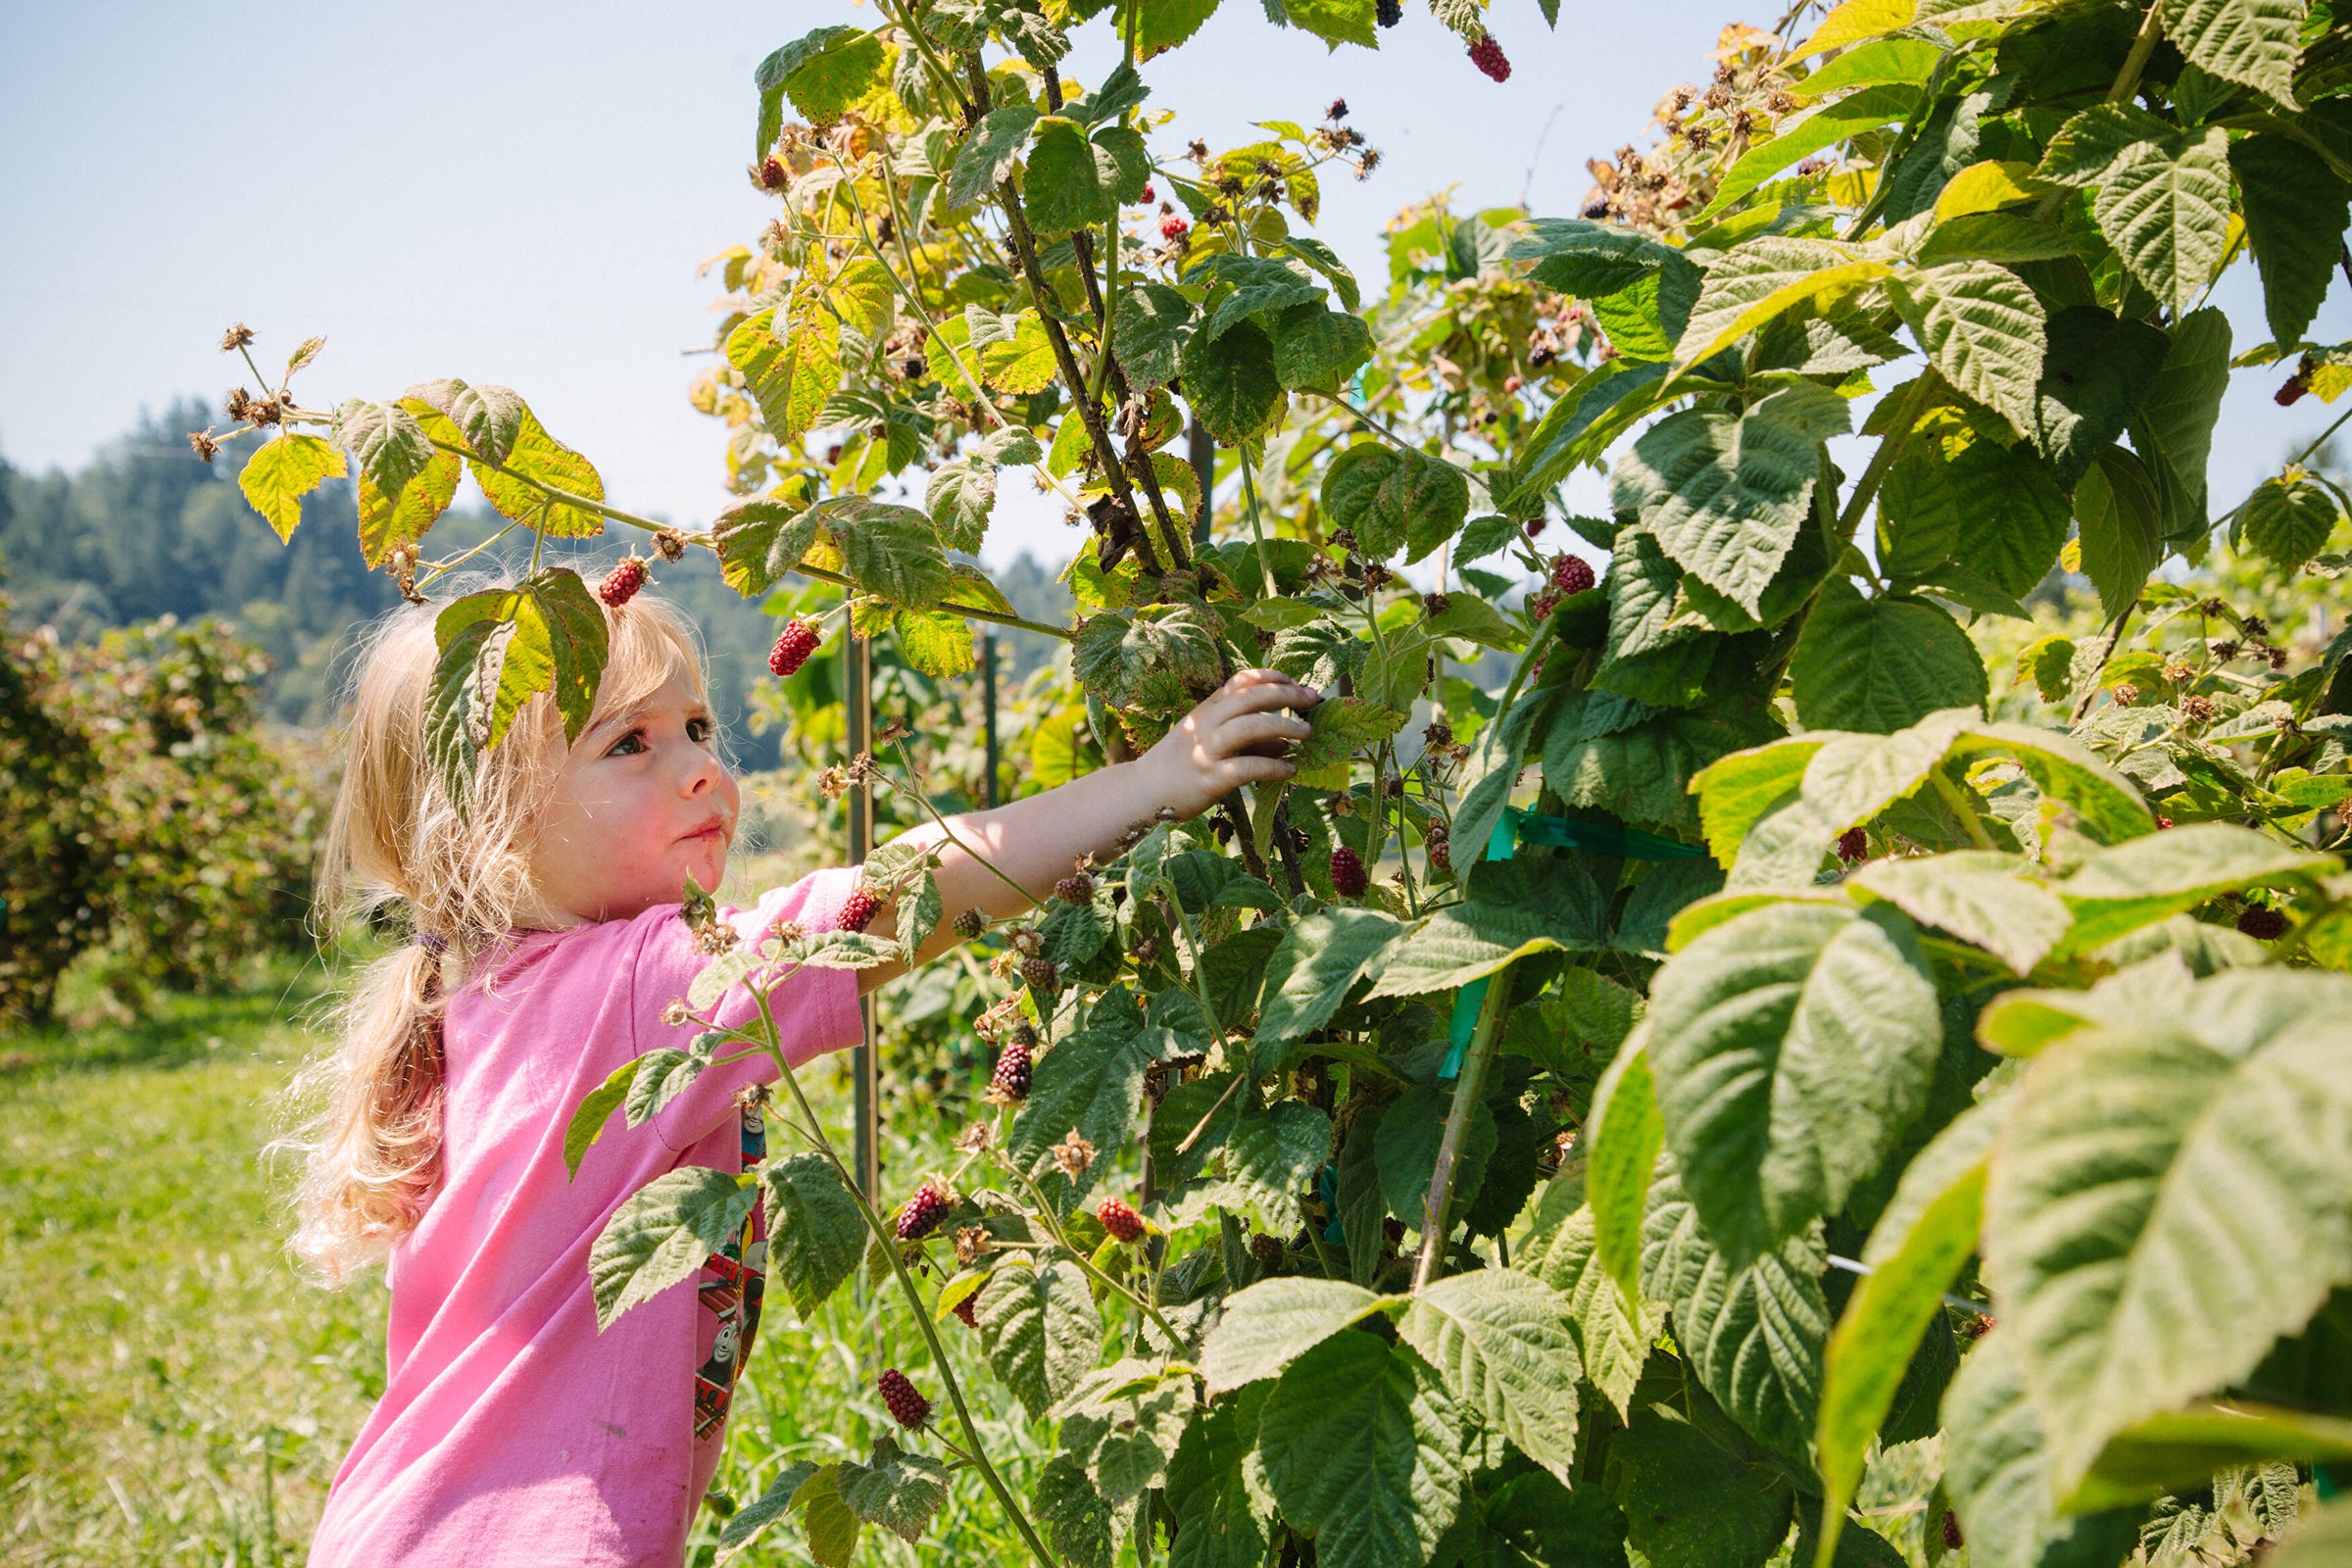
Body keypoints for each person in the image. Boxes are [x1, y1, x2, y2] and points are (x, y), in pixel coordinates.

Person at [283, 589, 1319, 1567]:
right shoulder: (638, 992)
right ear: (488, 825)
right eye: (628, 743)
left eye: (695, 727)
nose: (697, 768)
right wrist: (1147, 783)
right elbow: (893, 897)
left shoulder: (482, 1001)